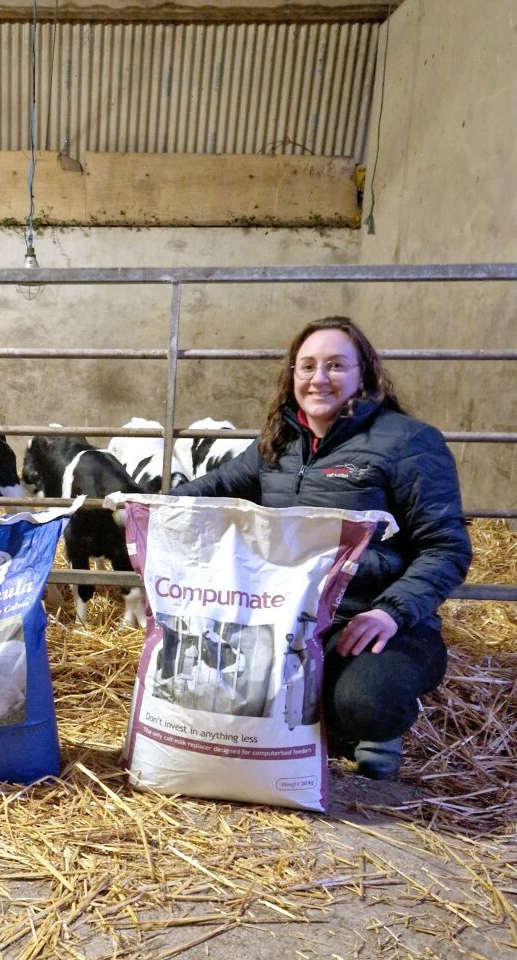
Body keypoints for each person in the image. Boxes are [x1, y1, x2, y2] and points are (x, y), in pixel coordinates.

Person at [173, 316, 471, 779]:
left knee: (364, 701)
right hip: (288, 615)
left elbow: (446, 549)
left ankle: (372, 729)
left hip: (368, 618)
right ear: (292, 375)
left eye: (335, 365)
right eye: (307, 366)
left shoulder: (410, 443)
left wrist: (391, 612)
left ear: (364, 375)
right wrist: (138, 507)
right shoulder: (278, 444)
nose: (318, 378)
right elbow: (214, 488)